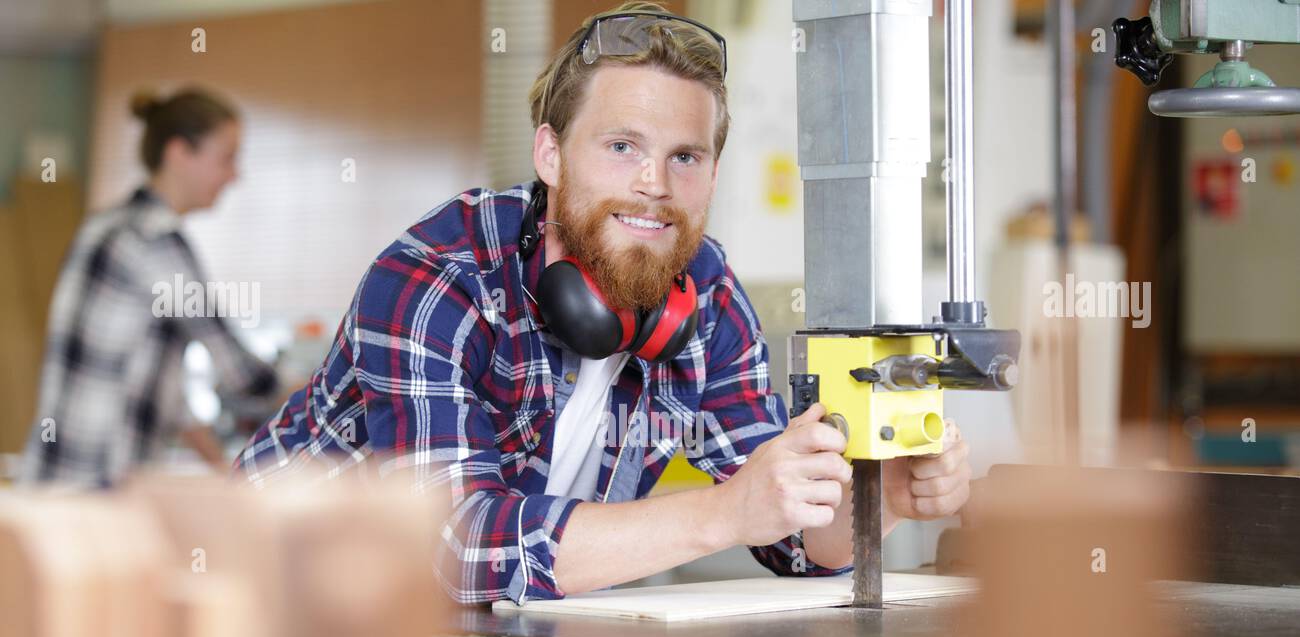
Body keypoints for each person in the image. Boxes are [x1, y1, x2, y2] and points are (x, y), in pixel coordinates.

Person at [234, 1, 971, 604]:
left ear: (711, 175)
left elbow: (789, 538)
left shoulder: (706, 295)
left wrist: (884, 500)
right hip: (263, 615)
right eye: (622, 146)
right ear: (550, 154)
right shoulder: (437, 275)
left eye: (685, 156)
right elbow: (454, 547)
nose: (654, 181)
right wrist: (721, 512)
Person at [21, 87, 279, 488]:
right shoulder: (153, 240)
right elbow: (242, 374)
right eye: (227, 158)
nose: (235, 175)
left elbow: (158, 389)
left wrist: (223, 469)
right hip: (94, 491)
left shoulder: (107, 226)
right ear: (179, 154)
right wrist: (325, 386)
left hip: (54, 480)